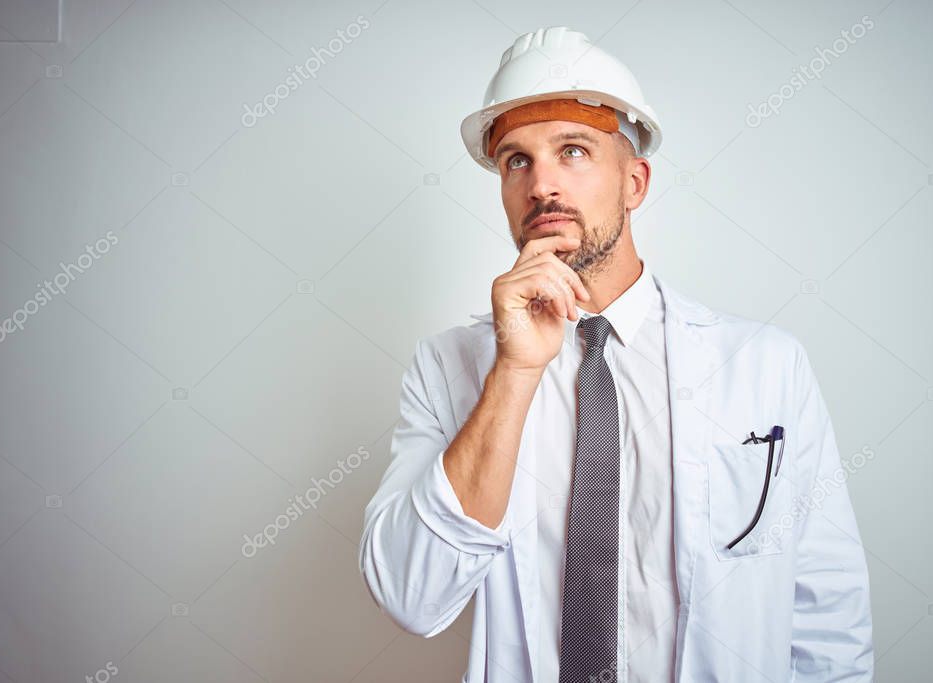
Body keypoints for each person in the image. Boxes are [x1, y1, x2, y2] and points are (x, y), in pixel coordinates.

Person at [360, 25, 873, 683]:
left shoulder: (764, 365)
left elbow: (828, 617)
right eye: (515, 160)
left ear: (635, 182)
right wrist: (513, 373)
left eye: (572, 150)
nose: (541, 184)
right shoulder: (446, 369)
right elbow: (411, 597)